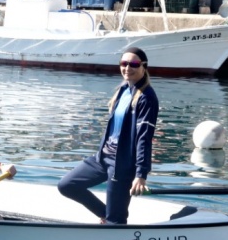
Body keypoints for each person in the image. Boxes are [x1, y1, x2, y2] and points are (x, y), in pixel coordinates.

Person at [58, 47, 159, 224]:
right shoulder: (123, 89)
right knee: (67, 185)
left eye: (134, 64)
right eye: (124, 63)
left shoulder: (147, 97)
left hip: (122, 165)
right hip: (103, 157)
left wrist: (141, 174)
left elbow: (144, 138)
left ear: (144, 66)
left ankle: (116, 228)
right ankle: (107, 214)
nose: (128, 68)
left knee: (116, 222)